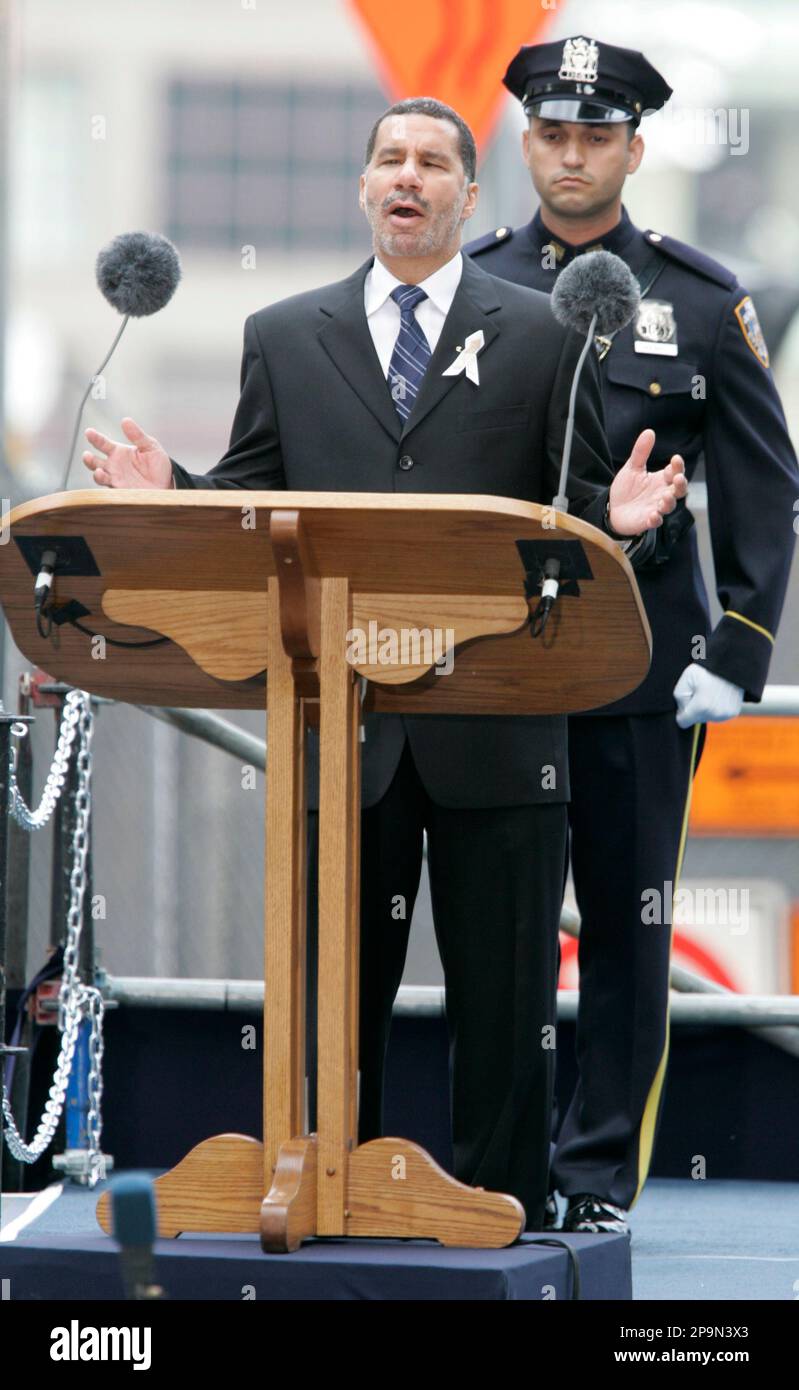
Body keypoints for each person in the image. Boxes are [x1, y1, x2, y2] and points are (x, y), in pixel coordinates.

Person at [82, 96, 688, 1231]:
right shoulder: (283, 331)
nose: (407, 178)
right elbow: (255, 496)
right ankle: (321, 1185)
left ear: (467, 196)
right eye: (389, 161)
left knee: (506, 993)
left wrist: (619, 519)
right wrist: (176, 495)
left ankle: (508, 1197)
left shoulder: (546, 333)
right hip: (338, 724)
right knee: (326, 991)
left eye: (432, 164)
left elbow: (572, 513)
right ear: (364, 188)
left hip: (497, 727)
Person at [465, 37, 799, 1233]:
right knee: (501, 930)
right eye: (552, 133)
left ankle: (596, 1179)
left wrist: (740, 649)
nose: (571, 153)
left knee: (626, 926)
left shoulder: (702, 300)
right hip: (499, 664)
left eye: (595, 135)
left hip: (649, 667)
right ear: (525, 143)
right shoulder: (472, 286)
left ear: (632, 149)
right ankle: (500, 1171)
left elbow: (767, 487)